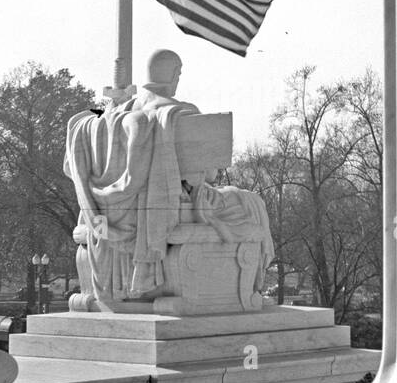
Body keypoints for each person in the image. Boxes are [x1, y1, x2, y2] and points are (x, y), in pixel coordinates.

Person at [65, 50, 273, 309]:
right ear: (174, 75)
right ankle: (251, 291)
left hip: (112, 214)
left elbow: (80, 132)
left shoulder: (115, 115)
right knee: (250, 202)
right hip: (177, 205)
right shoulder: (181, 112)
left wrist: (111, 107)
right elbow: (206, 175)